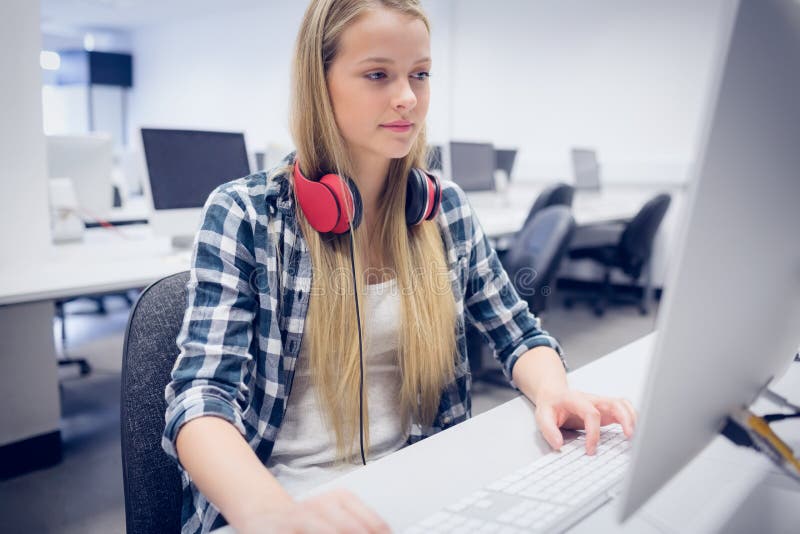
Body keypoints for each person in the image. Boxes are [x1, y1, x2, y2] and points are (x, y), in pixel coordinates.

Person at [162, 1, 637, 533]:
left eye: (420, 74)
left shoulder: (443, 210)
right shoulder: (247, 214)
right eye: (377, 74)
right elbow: (201, 397)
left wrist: (555, 391)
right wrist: (271, 513)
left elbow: (519, 334)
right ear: (320, 84)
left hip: (419, 488)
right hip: (283, 503)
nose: (408, 97)